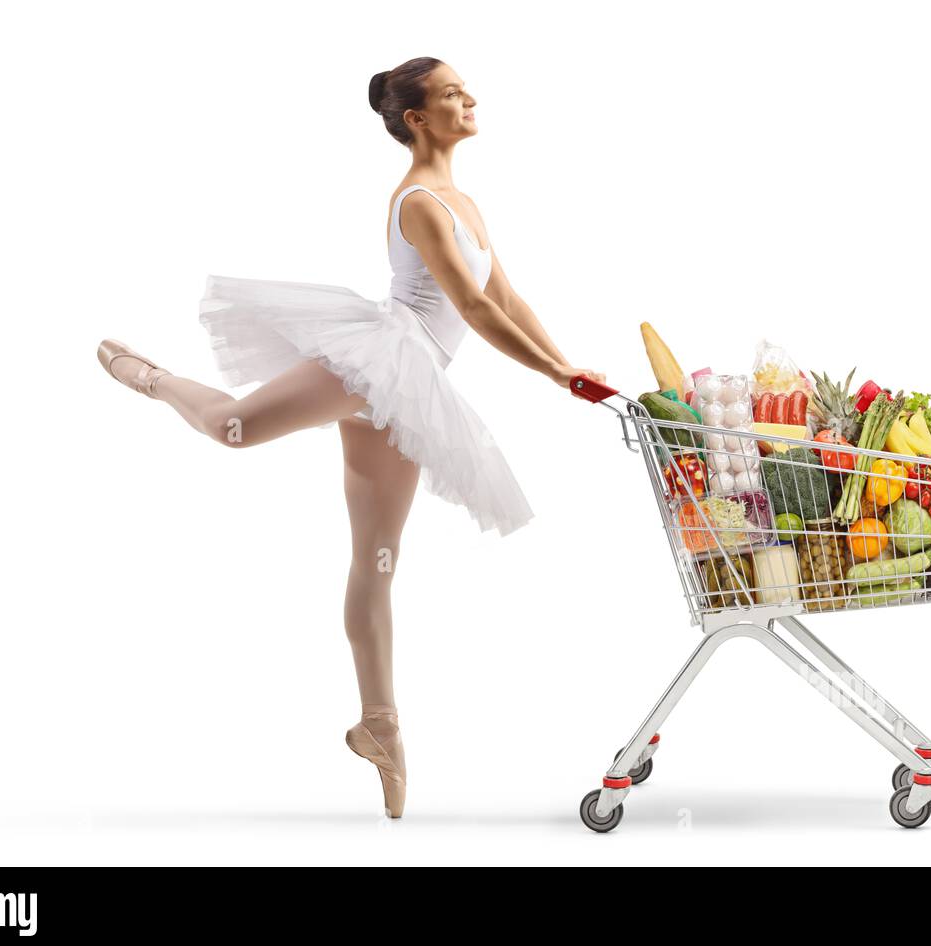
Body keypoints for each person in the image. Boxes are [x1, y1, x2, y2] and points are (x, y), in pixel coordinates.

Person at [96, 57, 606, 819]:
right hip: (381, 362)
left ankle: (379, 726)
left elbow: (506, 294)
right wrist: (555, 378)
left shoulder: (466, 201)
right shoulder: (422, 202)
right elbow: (468, 306)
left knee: (377, 562)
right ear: (417, 119)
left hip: (409, 392)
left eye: (467, 88)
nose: (470, 99)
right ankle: (154, 378)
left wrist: (567, 361)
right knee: (234, 428)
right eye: (451, 94)